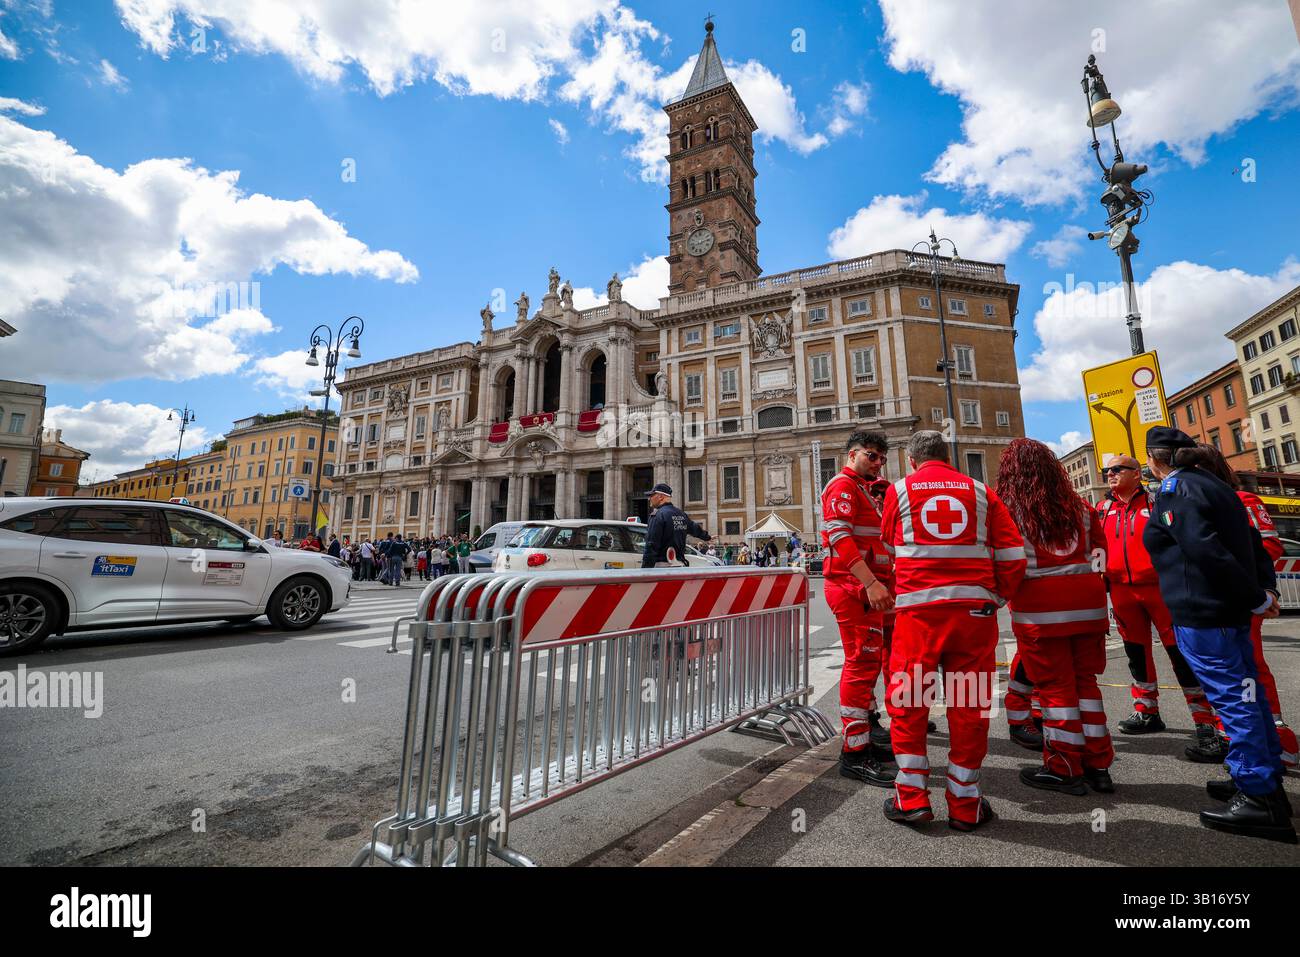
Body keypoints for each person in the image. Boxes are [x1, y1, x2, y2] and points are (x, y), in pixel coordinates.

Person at [1143, 426, 1294, 843]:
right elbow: (1252, 542)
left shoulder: (1175, 488)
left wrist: (1253, 595)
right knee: (1248, 692)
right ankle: (1265, 781)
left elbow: (1202, 547)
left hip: (1203, 611)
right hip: (1227, 610)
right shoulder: (1215, 484)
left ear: (1158, 459)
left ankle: (1258, 795)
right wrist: (1262, 592)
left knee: (1233, 697)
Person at [878, 430, 1026, 831]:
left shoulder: (900, 490)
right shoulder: (980, 490)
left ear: (911, 460)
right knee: (969, 704)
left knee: (909, 702)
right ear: (948, 456)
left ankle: (911, 799)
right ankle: (966, 803)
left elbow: (887, 552)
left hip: (919, 618)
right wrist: (996, 596)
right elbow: (1014, 555)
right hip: (974, 618)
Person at [996, 438, 1115, 795]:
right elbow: (1101, 556)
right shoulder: (1080, 506)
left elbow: (1009, 564)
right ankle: (1099, 765)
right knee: (1086, 687)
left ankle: (1064, 766)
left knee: (1055, 690)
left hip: (1041, 613)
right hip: (1089, 607)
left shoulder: (1011, 510)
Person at [1097, 452, 1224, 762]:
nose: (1110, 474)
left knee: (1180, 653)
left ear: (1136, 473)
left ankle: (1204, 721)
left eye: (1117, 469)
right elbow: (1096, 547)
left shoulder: (1156, 501)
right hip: (1122, 593)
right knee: (1135, 654)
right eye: (1107, 470)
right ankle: (1147, 711)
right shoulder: (1103, 508)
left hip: (1162, 590)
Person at [1195, 444, 1299, 768]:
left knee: (1248, 668)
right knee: (1226, 674)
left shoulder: (1243, 501)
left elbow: (1270, 544)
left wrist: (1235, 577)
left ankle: (1279, 740)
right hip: (1211, 604)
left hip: (1240, 601)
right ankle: (1236, 738)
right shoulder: (1199, 503)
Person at [820, 431, 898, 787]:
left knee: (867, 665)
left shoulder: (865, 489)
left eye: (882, 456)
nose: (878, 462)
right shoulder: (842, 487)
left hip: (868, 590)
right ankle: (854, 753)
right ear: (852, 454)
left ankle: (865, 734)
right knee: (861, 663)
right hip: (854, 590)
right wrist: (870, 582)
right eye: (872, 455)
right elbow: (841, 539)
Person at [641, 482, 710, 567]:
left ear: (660, 497)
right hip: (680, 565)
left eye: (651, 495)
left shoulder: (657, 515)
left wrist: (645, 569)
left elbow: (651, 545)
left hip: (662, 566)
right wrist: (707, 537)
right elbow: (693, 527)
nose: (649, 499)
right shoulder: (681, 514)